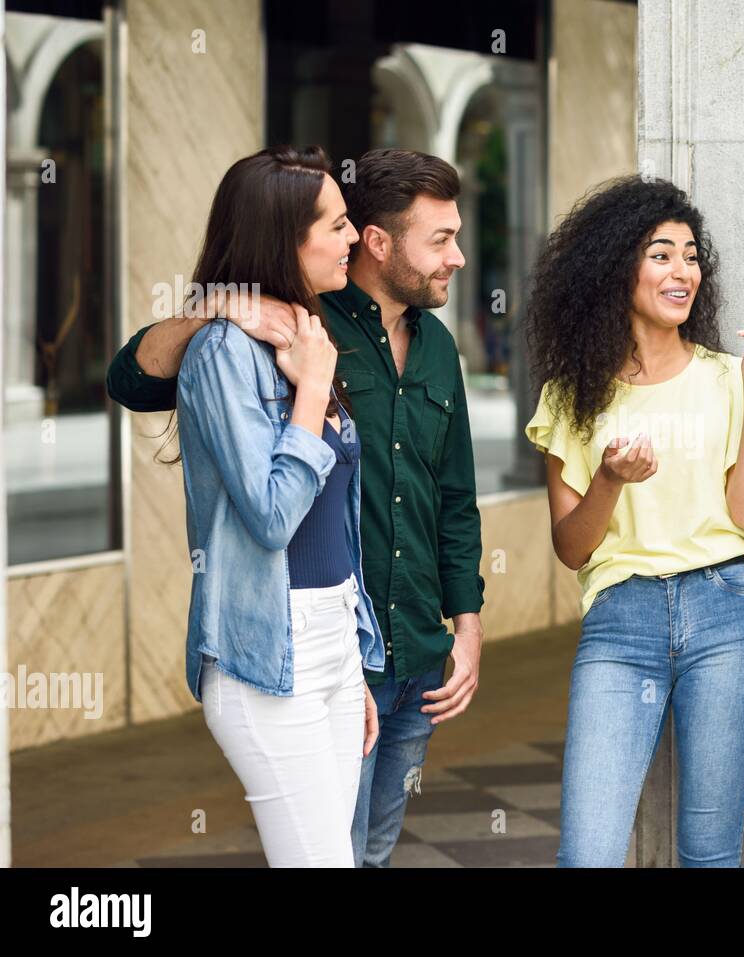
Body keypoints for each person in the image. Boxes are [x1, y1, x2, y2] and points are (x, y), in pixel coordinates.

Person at [105, 148, 486, 868]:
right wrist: (220, 307)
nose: (458, 258)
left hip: (367, 642)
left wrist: (446, 627)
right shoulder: (266, 335)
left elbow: (450, 498)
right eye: (440, 239)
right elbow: (132, 380)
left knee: (361, 852)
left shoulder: (417, 345)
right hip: (281, 640)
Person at [523, 176, 744, 866]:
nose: (683, 272)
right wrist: (610, 479)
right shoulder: (571, 397)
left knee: (708, 854)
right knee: (588, 853)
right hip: (621, 621)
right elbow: (572, 548)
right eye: (662, 255)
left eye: (692, 256)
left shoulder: (729, 377)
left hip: (726, 613)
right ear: (617, 269)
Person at [167, 145, 379, 866]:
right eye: (337, 225)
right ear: (285, 239)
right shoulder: (222, 352)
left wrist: (349, 657)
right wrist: (313, 391)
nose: (353, 239)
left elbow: (335, 518)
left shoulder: (306, 330)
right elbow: (271, 515)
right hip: (265, 650)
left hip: (333, 639)